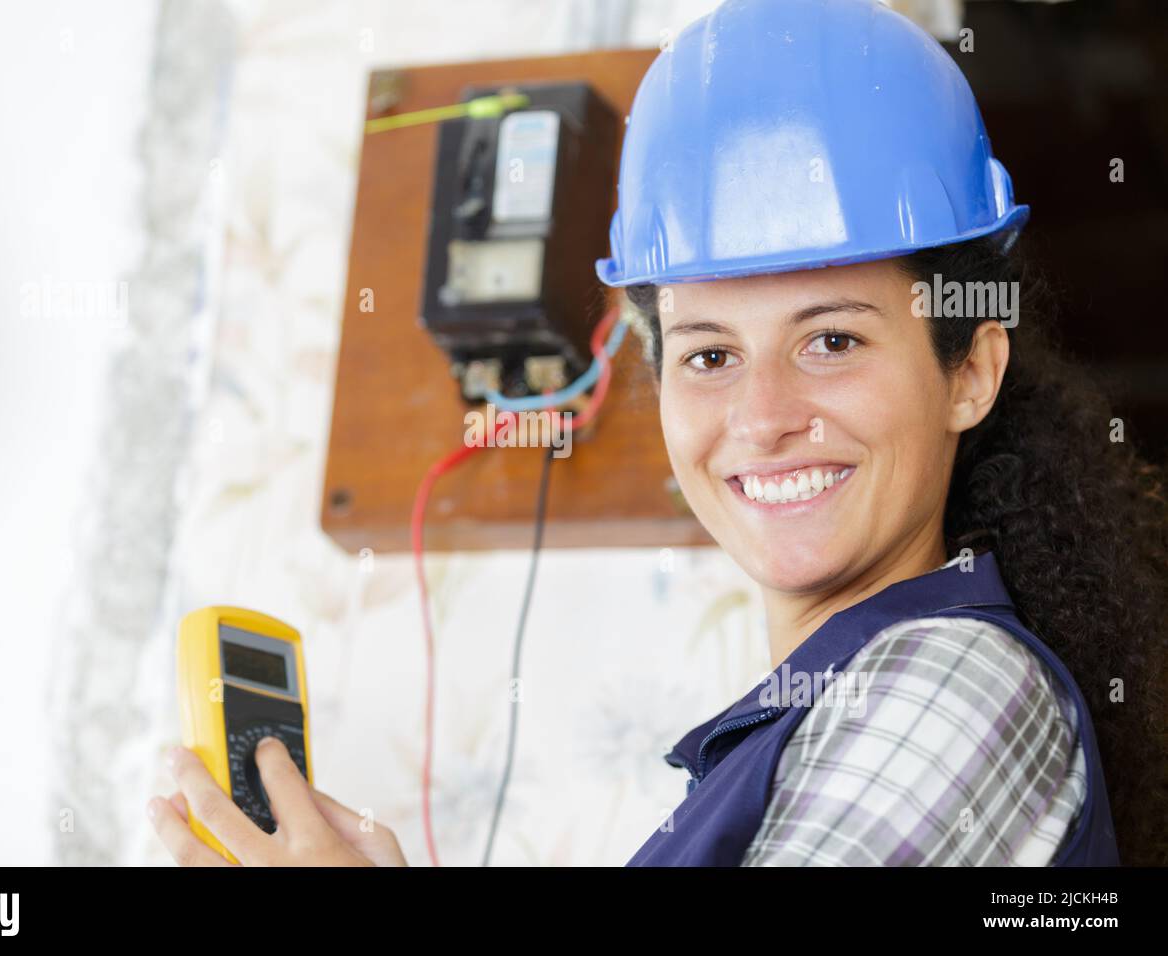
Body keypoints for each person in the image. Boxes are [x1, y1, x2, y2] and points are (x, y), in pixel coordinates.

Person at [147, 0, 1168, 867]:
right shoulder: (791, 736)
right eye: (709, 354)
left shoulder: (957, 692)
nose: (761, 417)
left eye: (831, 340)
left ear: (970, 372)